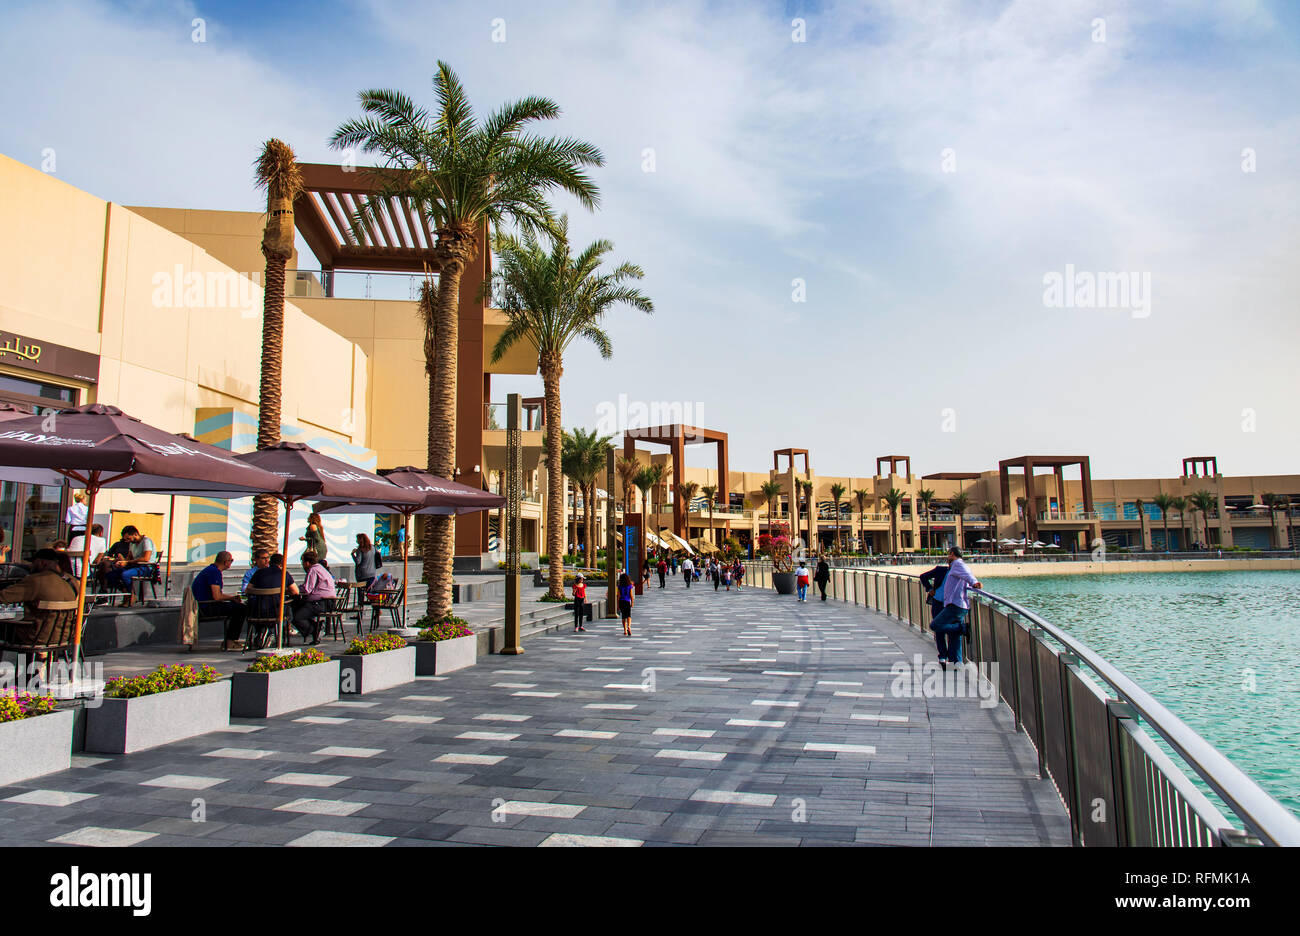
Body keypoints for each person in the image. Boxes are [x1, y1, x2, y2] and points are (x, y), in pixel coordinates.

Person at [0, 549, 77, 649]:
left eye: (33, 563)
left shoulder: (35, 580)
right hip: (65, 636)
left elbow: (3, 597)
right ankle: (36, 662)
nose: (30, 566)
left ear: (42, 562)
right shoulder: (72, 581)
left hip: (36, 637)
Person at [928, 547, 982, 667]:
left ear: (952, 554)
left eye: (948, 554)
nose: (947, 557)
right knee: (954, 635)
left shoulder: (957, 564)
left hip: (955, 605)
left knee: (935, 625)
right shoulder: (959, 565)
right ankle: (956, 661)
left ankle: (962, 628)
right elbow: (967, 575)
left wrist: (974, 583)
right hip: (958, 604)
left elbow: (968, 575)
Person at [192, 550, 248, 652]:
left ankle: (230, 640)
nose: (231, 562)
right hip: (206, 607)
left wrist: (232, 599)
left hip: (204, 604)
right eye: (231, 560)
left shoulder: (210, 570)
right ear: (226, 562)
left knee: (236, 607)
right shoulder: (214, 572)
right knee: (241, 609)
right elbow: (217, 596)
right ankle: (230, 641)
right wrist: (232, 598)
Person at [105, 525, 155, 605]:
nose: (128, 541)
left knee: (125, 575)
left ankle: (130, 596)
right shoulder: (132, 544)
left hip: (146, 567)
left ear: (135, 534)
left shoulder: (146, 541)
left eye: (129, 538)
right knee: (111, 575)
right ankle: (128, 593)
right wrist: (122, 561)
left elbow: (146, 558)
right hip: (134, 566)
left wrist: (128, 562)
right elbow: (129, 557)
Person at [293, 550, 335, 644]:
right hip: (329, 602)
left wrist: (295, 589)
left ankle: (315, 630)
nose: (303, 565)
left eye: (303, 562)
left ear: (307, 563)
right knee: (299, 607)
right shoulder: (321, 568)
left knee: (296, 616)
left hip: (320, 603)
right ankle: (316, 628)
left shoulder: (313, 570)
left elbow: (307, 589)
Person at [919, 560, 950, 658]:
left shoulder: (960, 573)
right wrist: (929, 589)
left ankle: (951, 658)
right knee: (938, 630)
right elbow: (923, 576)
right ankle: (943, 656)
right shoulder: (940, 570)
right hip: (938, 603)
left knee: (950, 632)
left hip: (951, 605)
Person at [617, 570, 634, 636]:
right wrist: (632, 602)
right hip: (627, 602)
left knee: (623, 616)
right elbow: (631, 595)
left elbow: (618, 596)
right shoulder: (629, 586)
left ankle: (625, 630)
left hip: (621, 601)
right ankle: (629, 627)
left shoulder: (620, 587)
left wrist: (617, 605)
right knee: (629, 615)